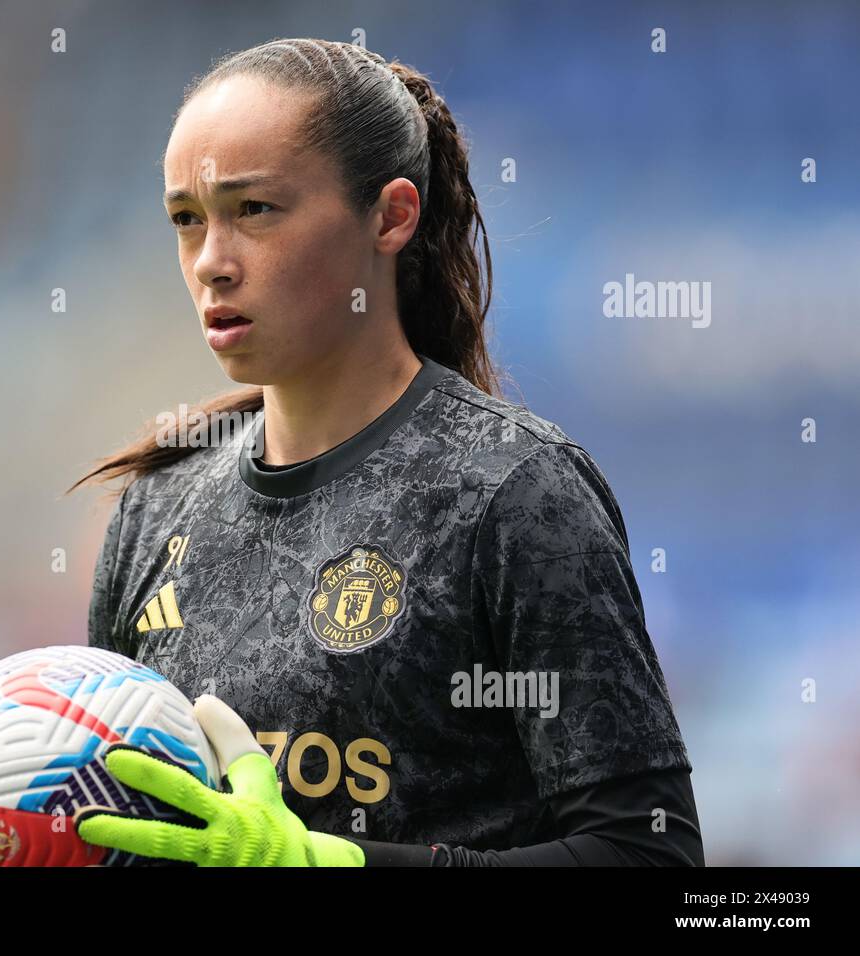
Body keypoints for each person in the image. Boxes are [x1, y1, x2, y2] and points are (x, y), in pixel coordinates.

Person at [64, 38, 703, 866]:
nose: (212, 263)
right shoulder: (158, 506)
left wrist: (333, 862)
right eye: (187, 219)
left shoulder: (514, 493)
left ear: (391, 216)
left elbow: (650, 857)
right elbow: (122, 822)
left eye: (253, 210)